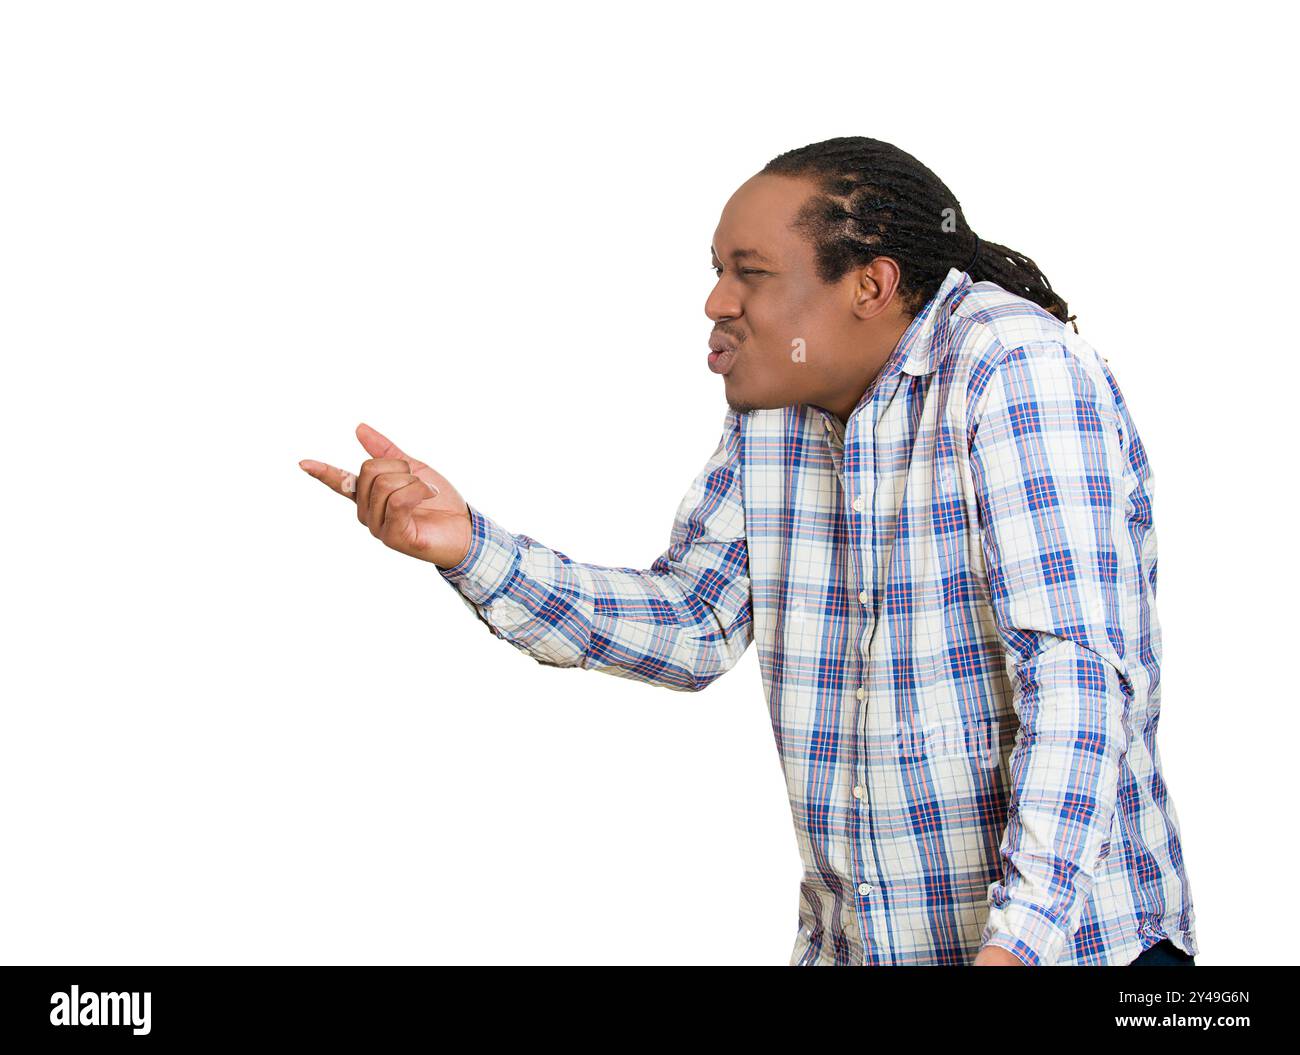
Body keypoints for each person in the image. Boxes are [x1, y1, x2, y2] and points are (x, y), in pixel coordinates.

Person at [300, 136, 1199, 967]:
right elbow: (694, 621)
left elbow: (1078, 678)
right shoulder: (777, 411)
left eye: (751, 273)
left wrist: (1018, 949)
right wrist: (470, 548)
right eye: (719, 270)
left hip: (1076, 953)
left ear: (871, 285)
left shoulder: (1015, 368)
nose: (716, 301)